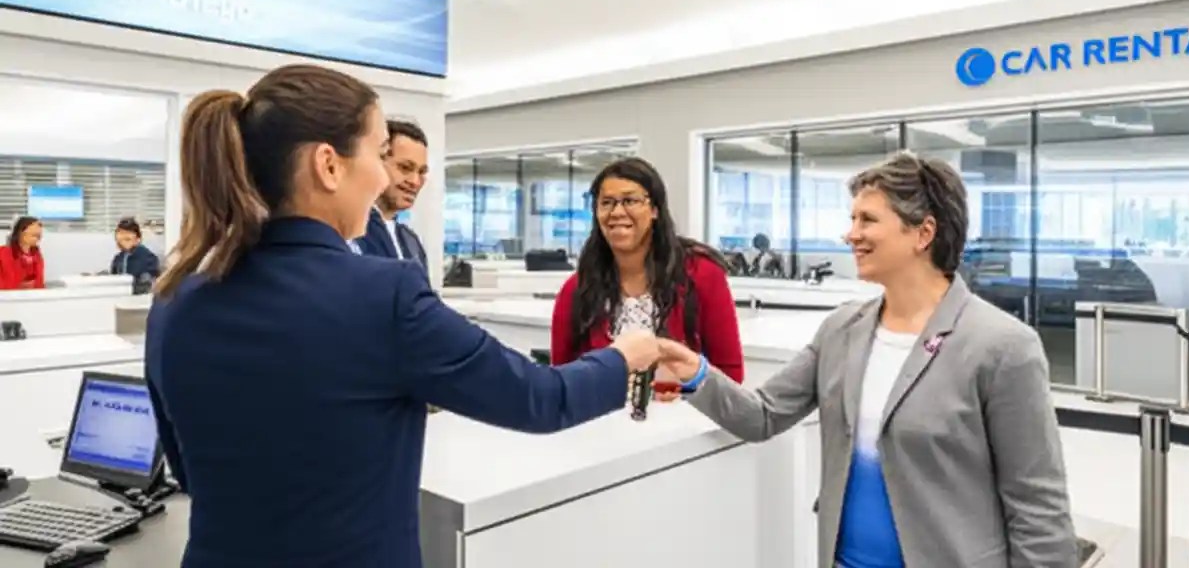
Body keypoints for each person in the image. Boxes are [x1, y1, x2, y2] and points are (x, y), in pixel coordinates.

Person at [145, 64, 659, 568]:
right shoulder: (382, 295)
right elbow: (541, 399)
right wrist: (627, 355)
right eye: (380, 153)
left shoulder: (175, 301)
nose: (383, 176)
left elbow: (190, 474)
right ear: (329, 164)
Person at [655, 151, 1076, 568]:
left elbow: (1038, 508)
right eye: (852, 219)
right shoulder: (842, 331)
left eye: (867, 220)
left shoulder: (1002, 346)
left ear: (923, 233)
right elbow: (763, 415)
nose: (850, 234)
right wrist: (694, 372)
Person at [551, 157, 745, 383]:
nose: (617, 212)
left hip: (685, 415)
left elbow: (730, 376)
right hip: (604, 417)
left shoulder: (701, 274)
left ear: (654, 209)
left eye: (630, 201)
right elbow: (562, 383)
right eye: (606, 202)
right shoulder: (578, 289)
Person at [354, 119, 431, 286]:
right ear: (378, 161)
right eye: (405, 168)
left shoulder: (411, 241)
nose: (415, 181)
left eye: (422, 172)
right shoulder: (352, 234)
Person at [109, 217, 160, 294]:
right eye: (121, 233)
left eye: (128, 235)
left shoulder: (149, 258)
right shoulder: (118, 258)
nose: (123, 236)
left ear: (138, 238)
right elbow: (113, 280)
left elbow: (149, 284)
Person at [0, 216, 45, 290]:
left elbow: (39, 281)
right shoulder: (5, 253)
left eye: (38, 236)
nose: (37, 239)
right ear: (20, 233)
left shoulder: (36, 255)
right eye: (33, 235)